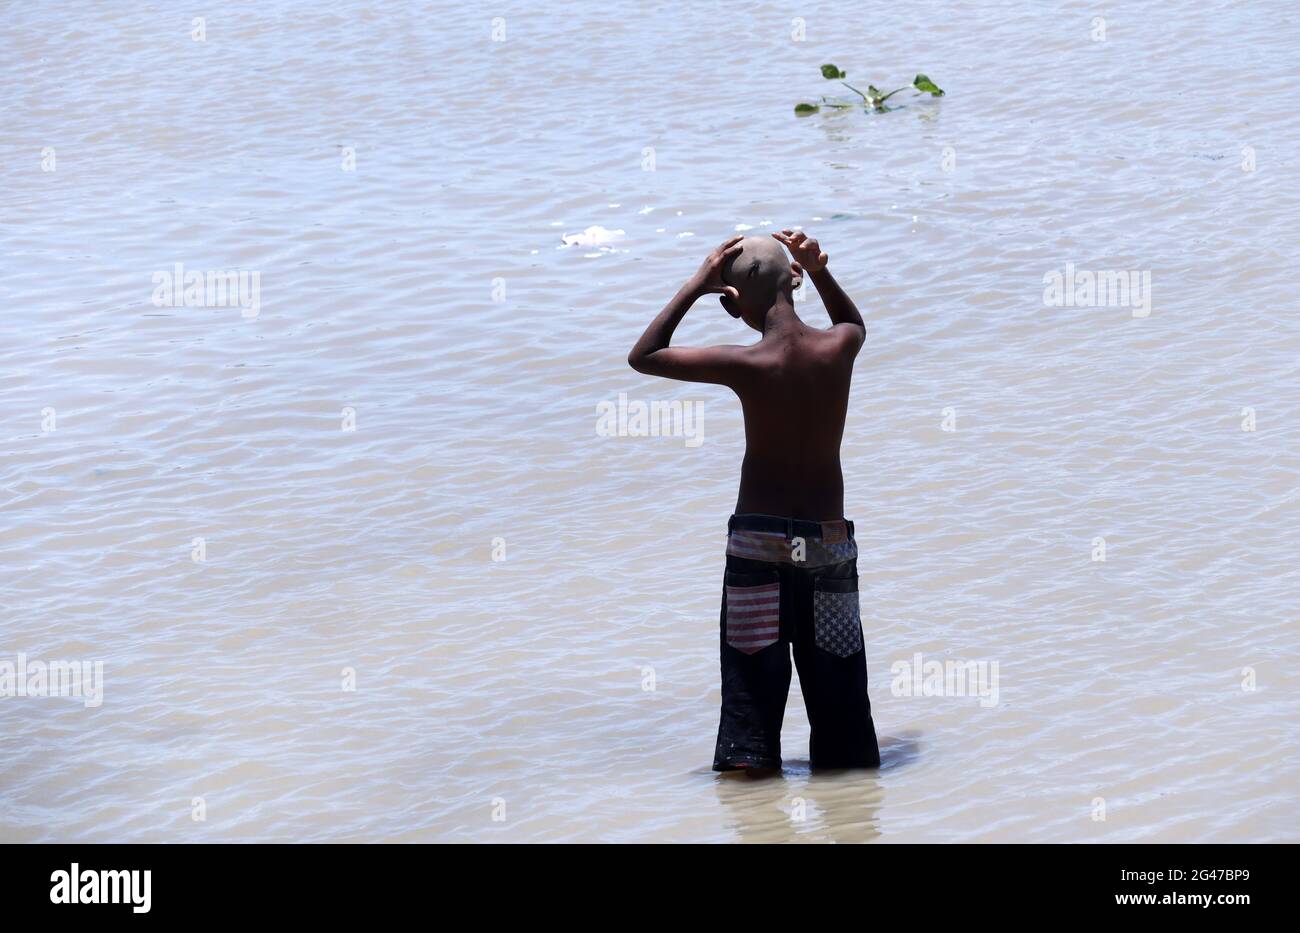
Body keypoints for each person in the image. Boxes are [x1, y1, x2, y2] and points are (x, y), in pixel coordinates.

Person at [628, 230, 881, 772]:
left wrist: (696, 284)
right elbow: (855, 324)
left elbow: (644, 356)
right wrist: (818, 270)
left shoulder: (745, 362)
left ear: (732, 301)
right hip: (827, 550)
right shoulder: (838, 348)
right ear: (795, 279)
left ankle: (753, 806)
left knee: (751, 706)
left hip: (757, 552)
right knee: (843, 713)